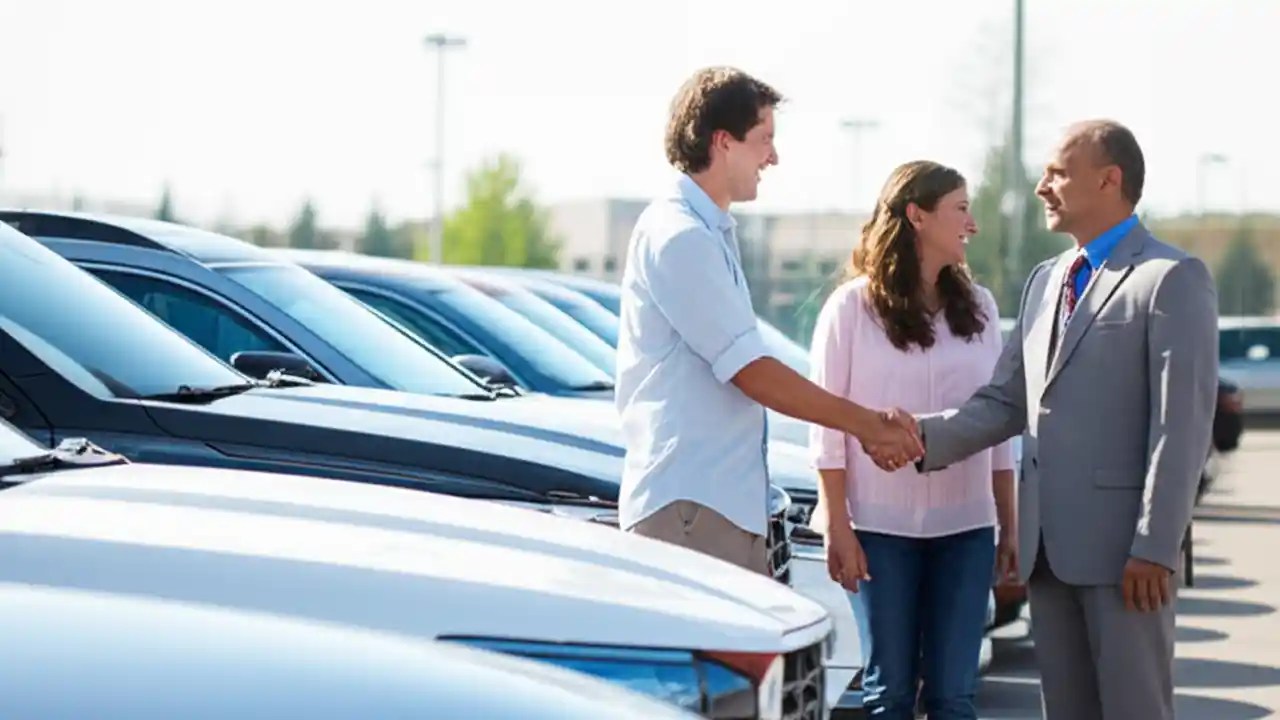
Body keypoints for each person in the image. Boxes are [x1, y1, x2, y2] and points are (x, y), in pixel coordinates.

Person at [890, 120, 1218, 720]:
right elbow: (1006, 402)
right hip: (1048, 554)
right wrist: (917, 435)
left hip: (1128, 557)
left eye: (1057, 173)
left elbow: (1182, 429)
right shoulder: (1046, 282)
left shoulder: (1170, 279)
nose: (1042, 186)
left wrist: (1155, 546)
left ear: (1109, 179)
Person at [615, 66, 922, 574]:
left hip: (709, 507)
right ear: (722, 142)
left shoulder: (702, 230)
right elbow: (751, 370)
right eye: (764, 139)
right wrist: (868, 425)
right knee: (719, 655)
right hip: (693, 510)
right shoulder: (681, 236)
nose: (773, 157)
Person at [808, 160, 1018, 719]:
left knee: (955, 696)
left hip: (966, 531)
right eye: (960, 209)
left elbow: (999, 424)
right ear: (917, 216)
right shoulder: (850, 310)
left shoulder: (982, 308)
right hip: (879, 532)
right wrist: (838, 526)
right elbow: (827, 428)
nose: (971, 224)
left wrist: (1008, 522)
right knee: (890, 693)